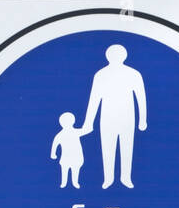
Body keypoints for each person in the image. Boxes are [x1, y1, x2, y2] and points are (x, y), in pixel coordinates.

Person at [79, 44, 147, 188]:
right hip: (107, 118)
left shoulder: (134, 74)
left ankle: (126, 178)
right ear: (107, 56)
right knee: (107, 148)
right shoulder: (101, 74)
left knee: (127, 147)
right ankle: (108, 179)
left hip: (127, 118)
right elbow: (94, 99)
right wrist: (88, 122)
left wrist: (143, 120)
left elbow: (141, 98)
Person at [49, 112, 90, 188]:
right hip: (65, 157)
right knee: (65, 169)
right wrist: (53, 154)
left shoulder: (75, 132)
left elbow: (86, 130)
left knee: (75, 169)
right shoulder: (60, 135)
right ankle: (64, 183)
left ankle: (75, 182)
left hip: (76, 156)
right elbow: (55, 144)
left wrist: (88, 126)